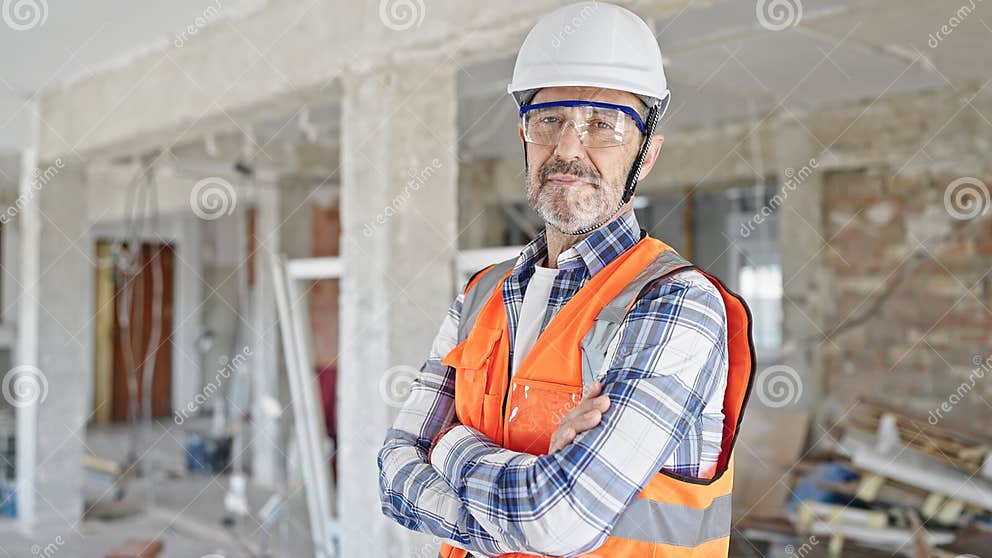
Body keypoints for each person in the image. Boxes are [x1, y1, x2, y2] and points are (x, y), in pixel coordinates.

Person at [378, 3, 756, 557]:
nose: (569, 149)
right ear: (525, 135)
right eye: (549, 120)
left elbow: (557, 521)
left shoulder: (677, 301)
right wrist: (530, 486)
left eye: (604, 125)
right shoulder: (481, 294)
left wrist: (451, 444)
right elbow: (393, 476)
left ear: (646, 154)